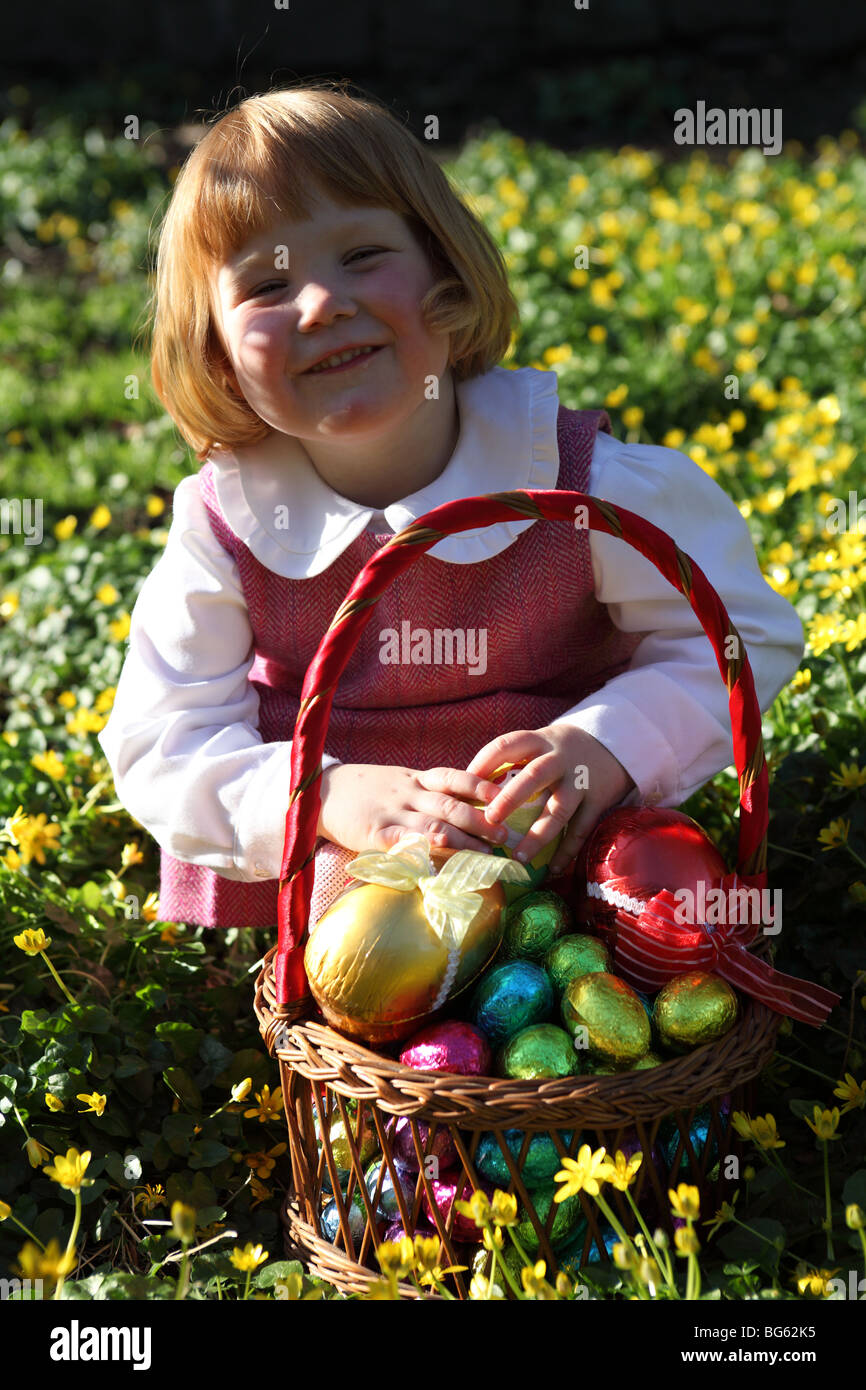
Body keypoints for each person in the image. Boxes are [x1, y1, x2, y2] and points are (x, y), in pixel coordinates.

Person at [97, 81, 805, 936]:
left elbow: (736, 634)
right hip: (346, 869)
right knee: (359, 953)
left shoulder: (569, 482)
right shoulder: (231, 522)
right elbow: (162, 739)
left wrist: (608, 747)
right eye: (266, 286)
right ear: (215, 353)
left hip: (553, 839)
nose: (322, 304)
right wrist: (317, 794)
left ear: (445, 272)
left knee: (642, 918)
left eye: (361, 256)